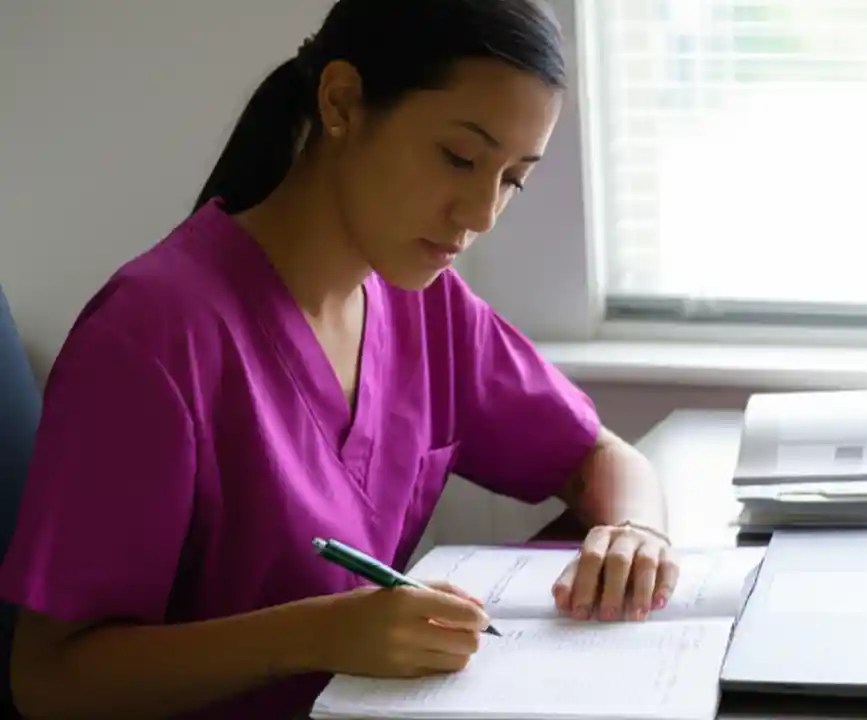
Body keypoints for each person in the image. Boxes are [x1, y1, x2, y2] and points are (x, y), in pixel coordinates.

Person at [0, 1, 677, 717]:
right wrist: (317, 634)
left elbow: (599, 456)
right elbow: (50, 680)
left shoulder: (429, 307)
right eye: (459, 158)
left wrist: (636, 532)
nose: (482, 213)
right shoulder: (153, 338)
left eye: (513, 179)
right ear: (343, 102)